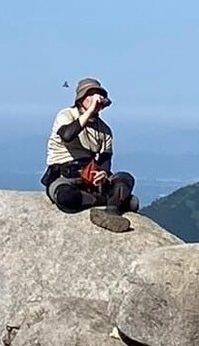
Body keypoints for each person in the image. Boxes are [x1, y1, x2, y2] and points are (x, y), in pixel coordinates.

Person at [40, 78, 138, 232]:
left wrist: (103, 174)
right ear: (80, 99)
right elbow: (67, 135)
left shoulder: (105, 130)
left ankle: (111, 212)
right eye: (90, 95)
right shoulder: (66, 115)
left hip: (90, 177)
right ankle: (112, 202)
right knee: (67, 198)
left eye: (98, 96)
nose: (95, 100)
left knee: (125, 178)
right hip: (63, 175)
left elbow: (105, 160)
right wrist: (90, 111)